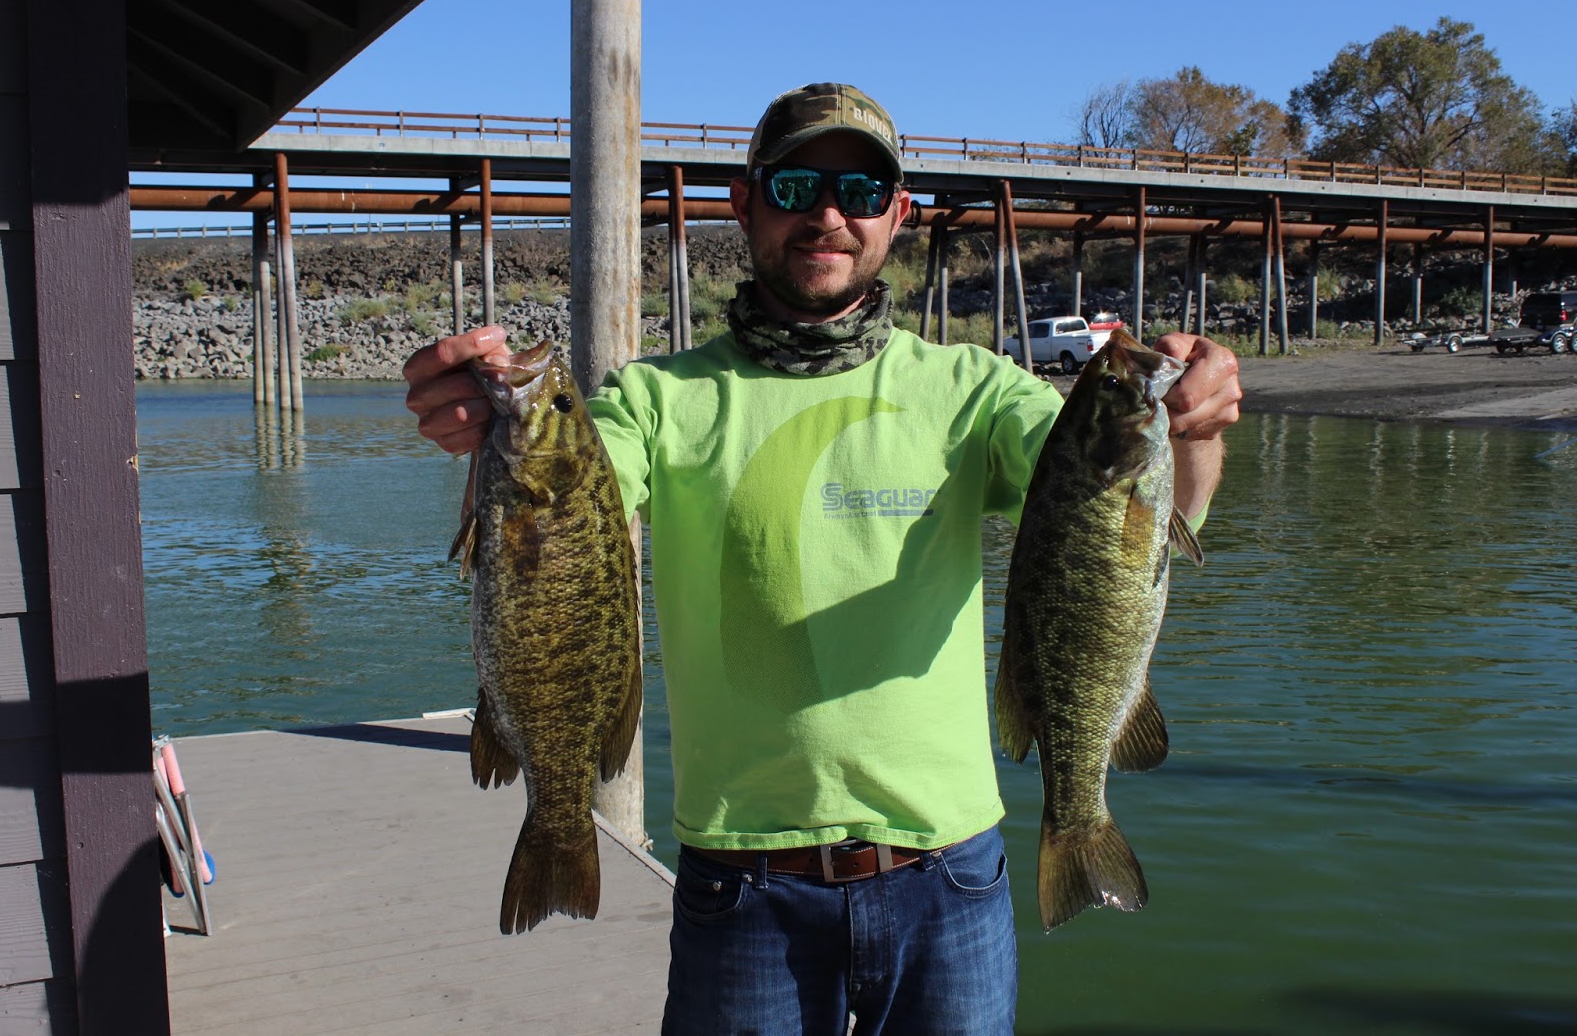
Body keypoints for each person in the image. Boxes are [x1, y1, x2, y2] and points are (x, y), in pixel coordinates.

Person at [405, 83, 1241, 1034]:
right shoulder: (653, 402)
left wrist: (1196, 426)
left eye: (862, 189)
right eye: (797, 185)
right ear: (744, 201)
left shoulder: (975, 390)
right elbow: (554, 531)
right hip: (742, 890)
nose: (828, 215)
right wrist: (478, 433)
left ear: (899, 214)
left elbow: (1128, 515)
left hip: (951, 880)